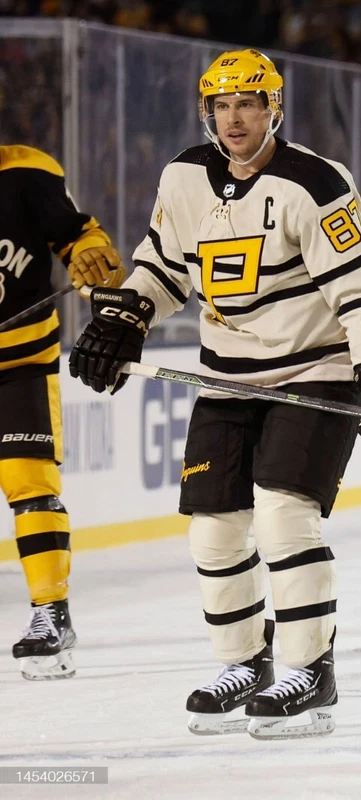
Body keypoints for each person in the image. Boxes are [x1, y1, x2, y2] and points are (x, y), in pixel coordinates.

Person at [68, 49, 361, 740]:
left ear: (274, 108)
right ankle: (242, 663)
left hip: (314, 375)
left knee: (285, 516)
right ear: (210, 111)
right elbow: (164, 269)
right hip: (227, 380)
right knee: (214, 528)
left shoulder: (315, 183)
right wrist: (123, 319)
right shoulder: (184, 177)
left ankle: (310, 671)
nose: (235, 118)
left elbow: (359, 289)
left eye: (249, 104)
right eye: (223, 105)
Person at [0, 144, 124, 680]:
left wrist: (88, 252)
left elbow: (76, 233)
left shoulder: (28, 170)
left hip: (21, 357)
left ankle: (50, 612)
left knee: (28, 482)